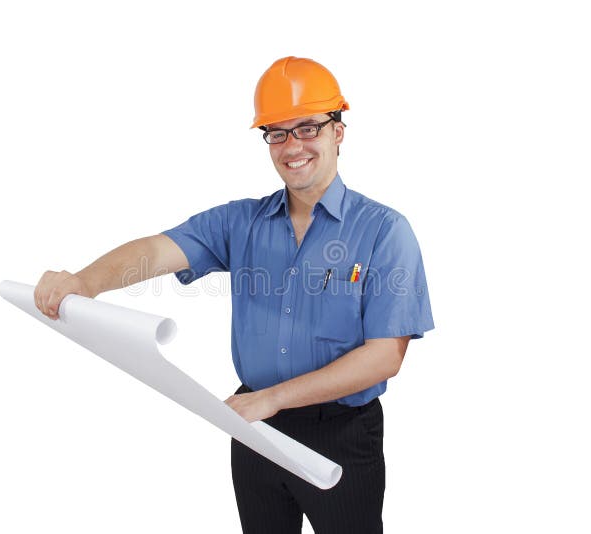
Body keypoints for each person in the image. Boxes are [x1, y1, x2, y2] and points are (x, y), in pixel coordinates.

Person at [34, 56, 434, 534]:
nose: (293, 146)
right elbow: (158, 250)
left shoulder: (385, 231)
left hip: (341, 434)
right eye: (277, 132)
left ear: (338, 132)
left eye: (308, 127)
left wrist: (273, 399)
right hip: (252, 428)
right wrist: (84, 283)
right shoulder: (240, 222)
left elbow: (384, 357)